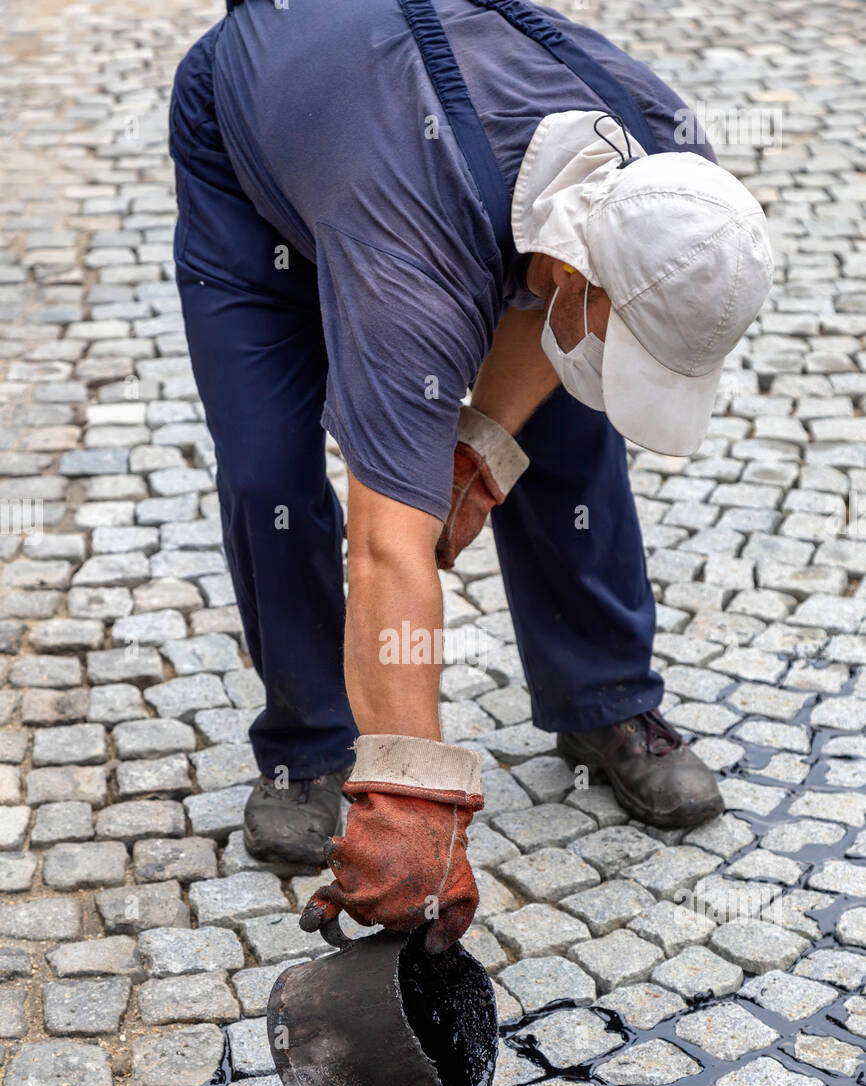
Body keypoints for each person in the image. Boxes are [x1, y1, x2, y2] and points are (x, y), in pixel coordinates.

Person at [170, 0, 773, 952]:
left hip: (415, 128)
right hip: (263, 152)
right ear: (574, 270)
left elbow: (558, 308)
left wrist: (478, 447)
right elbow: (386, 543)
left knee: (573, 416)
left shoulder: (670, 169)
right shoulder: (412, 255)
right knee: (268, 475)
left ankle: (603, 697)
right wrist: (416, 803)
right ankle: (311, 748)